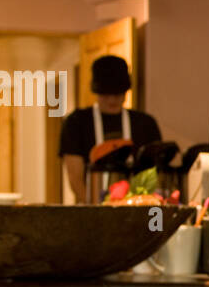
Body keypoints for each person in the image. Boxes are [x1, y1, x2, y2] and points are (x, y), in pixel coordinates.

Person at [59, 55, 161, 202]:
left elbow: (155, 174)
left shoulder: (145, 124)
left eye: (118, 94)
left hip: (137, 207)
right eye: (106, 94)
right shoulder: (76, 122)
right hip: (93, 209)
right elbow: (75, 177)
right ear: (96, 92)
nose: (112, 100)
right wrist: (93, 209)